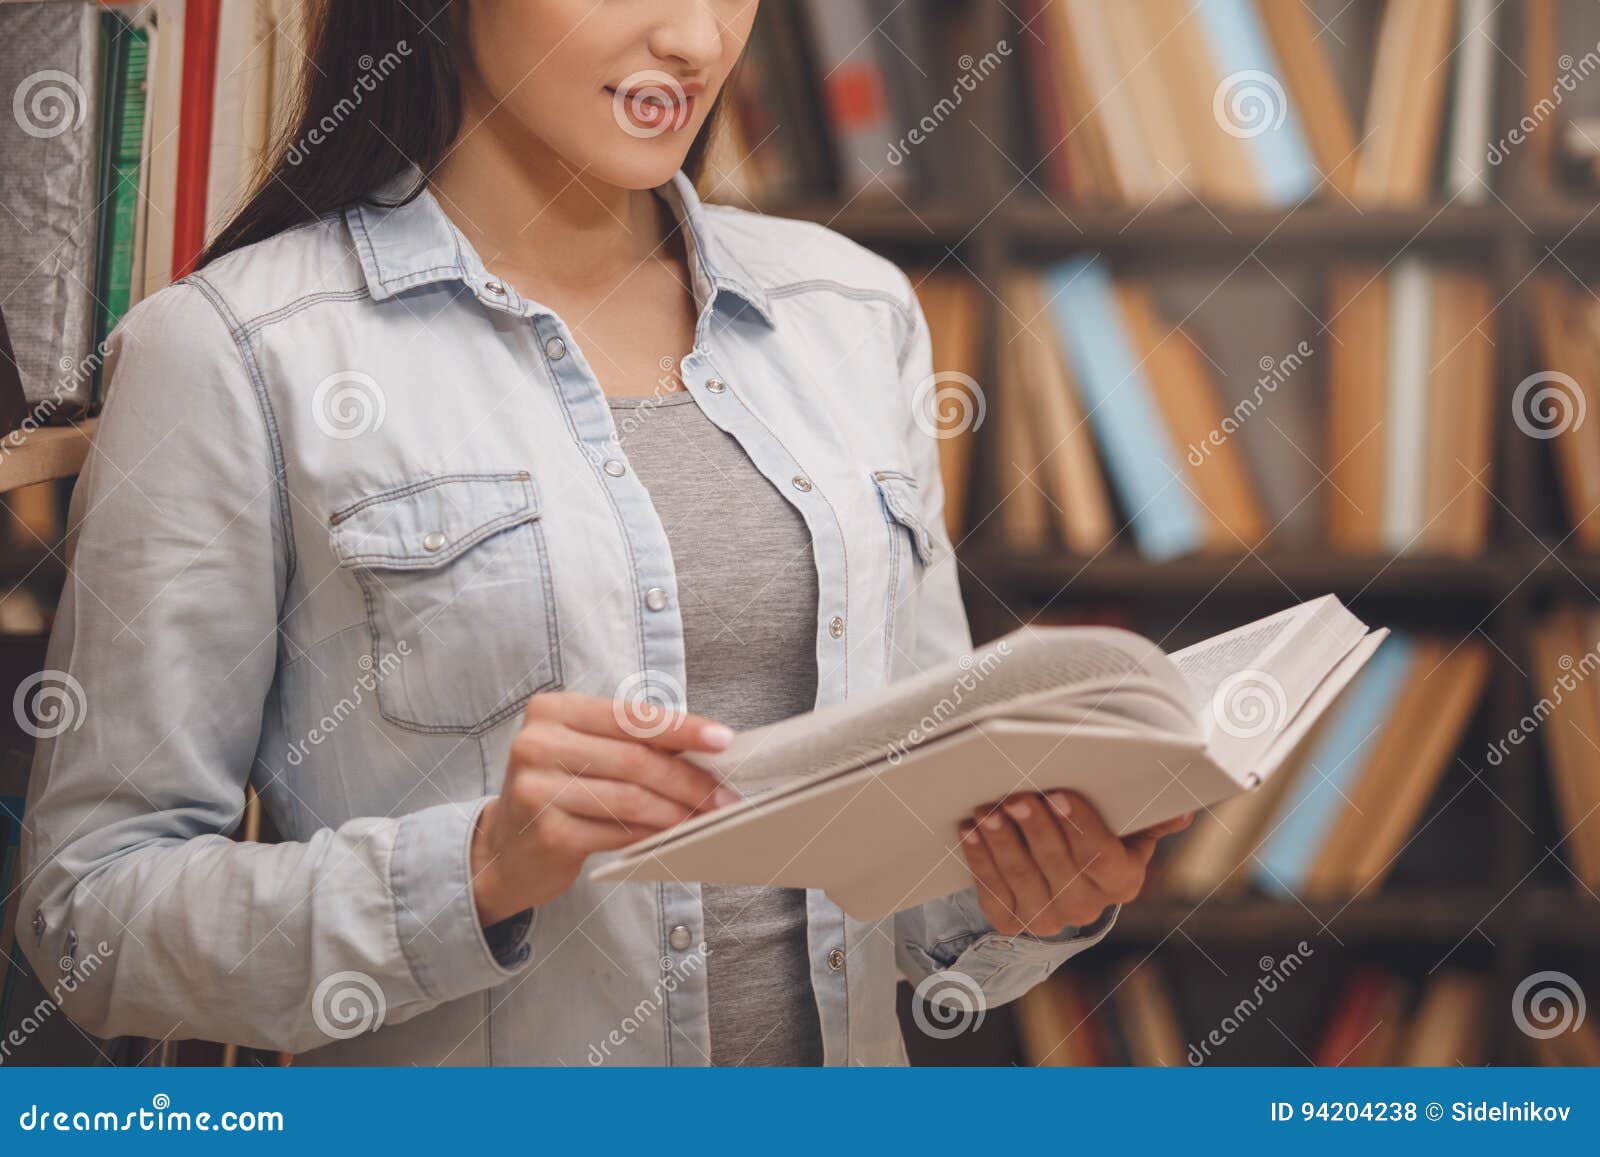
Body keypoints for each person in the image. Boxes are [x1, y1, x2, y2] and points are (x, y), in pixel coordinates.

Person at [19, 0, 1189, 1066]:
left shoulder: (854, 312)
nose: (696, 41)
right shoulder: (234, 350)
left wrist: (1034, 883)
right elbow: (89, 925)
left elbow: (915, 865)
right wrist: (475, 870)